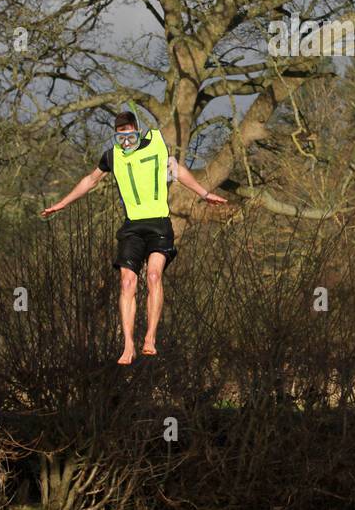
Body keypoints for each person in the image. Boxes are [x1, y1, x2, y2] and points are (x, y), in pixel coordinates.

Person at [41, 110, 229, 364]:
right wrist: (62, 202)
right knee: (127, 282)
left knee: (153, 276)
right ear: (116, 133)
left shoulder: (155, 145)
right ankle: (128, 345)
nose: (124, 135)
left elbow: (179, 171)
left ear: (136, 129)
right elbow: (90, 180)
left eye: (128, 129)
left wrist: (204, 194)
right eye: (120, 131)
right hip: (132, 227)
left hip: (159, 225)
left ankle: (150, 337)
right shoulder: (112, 156)